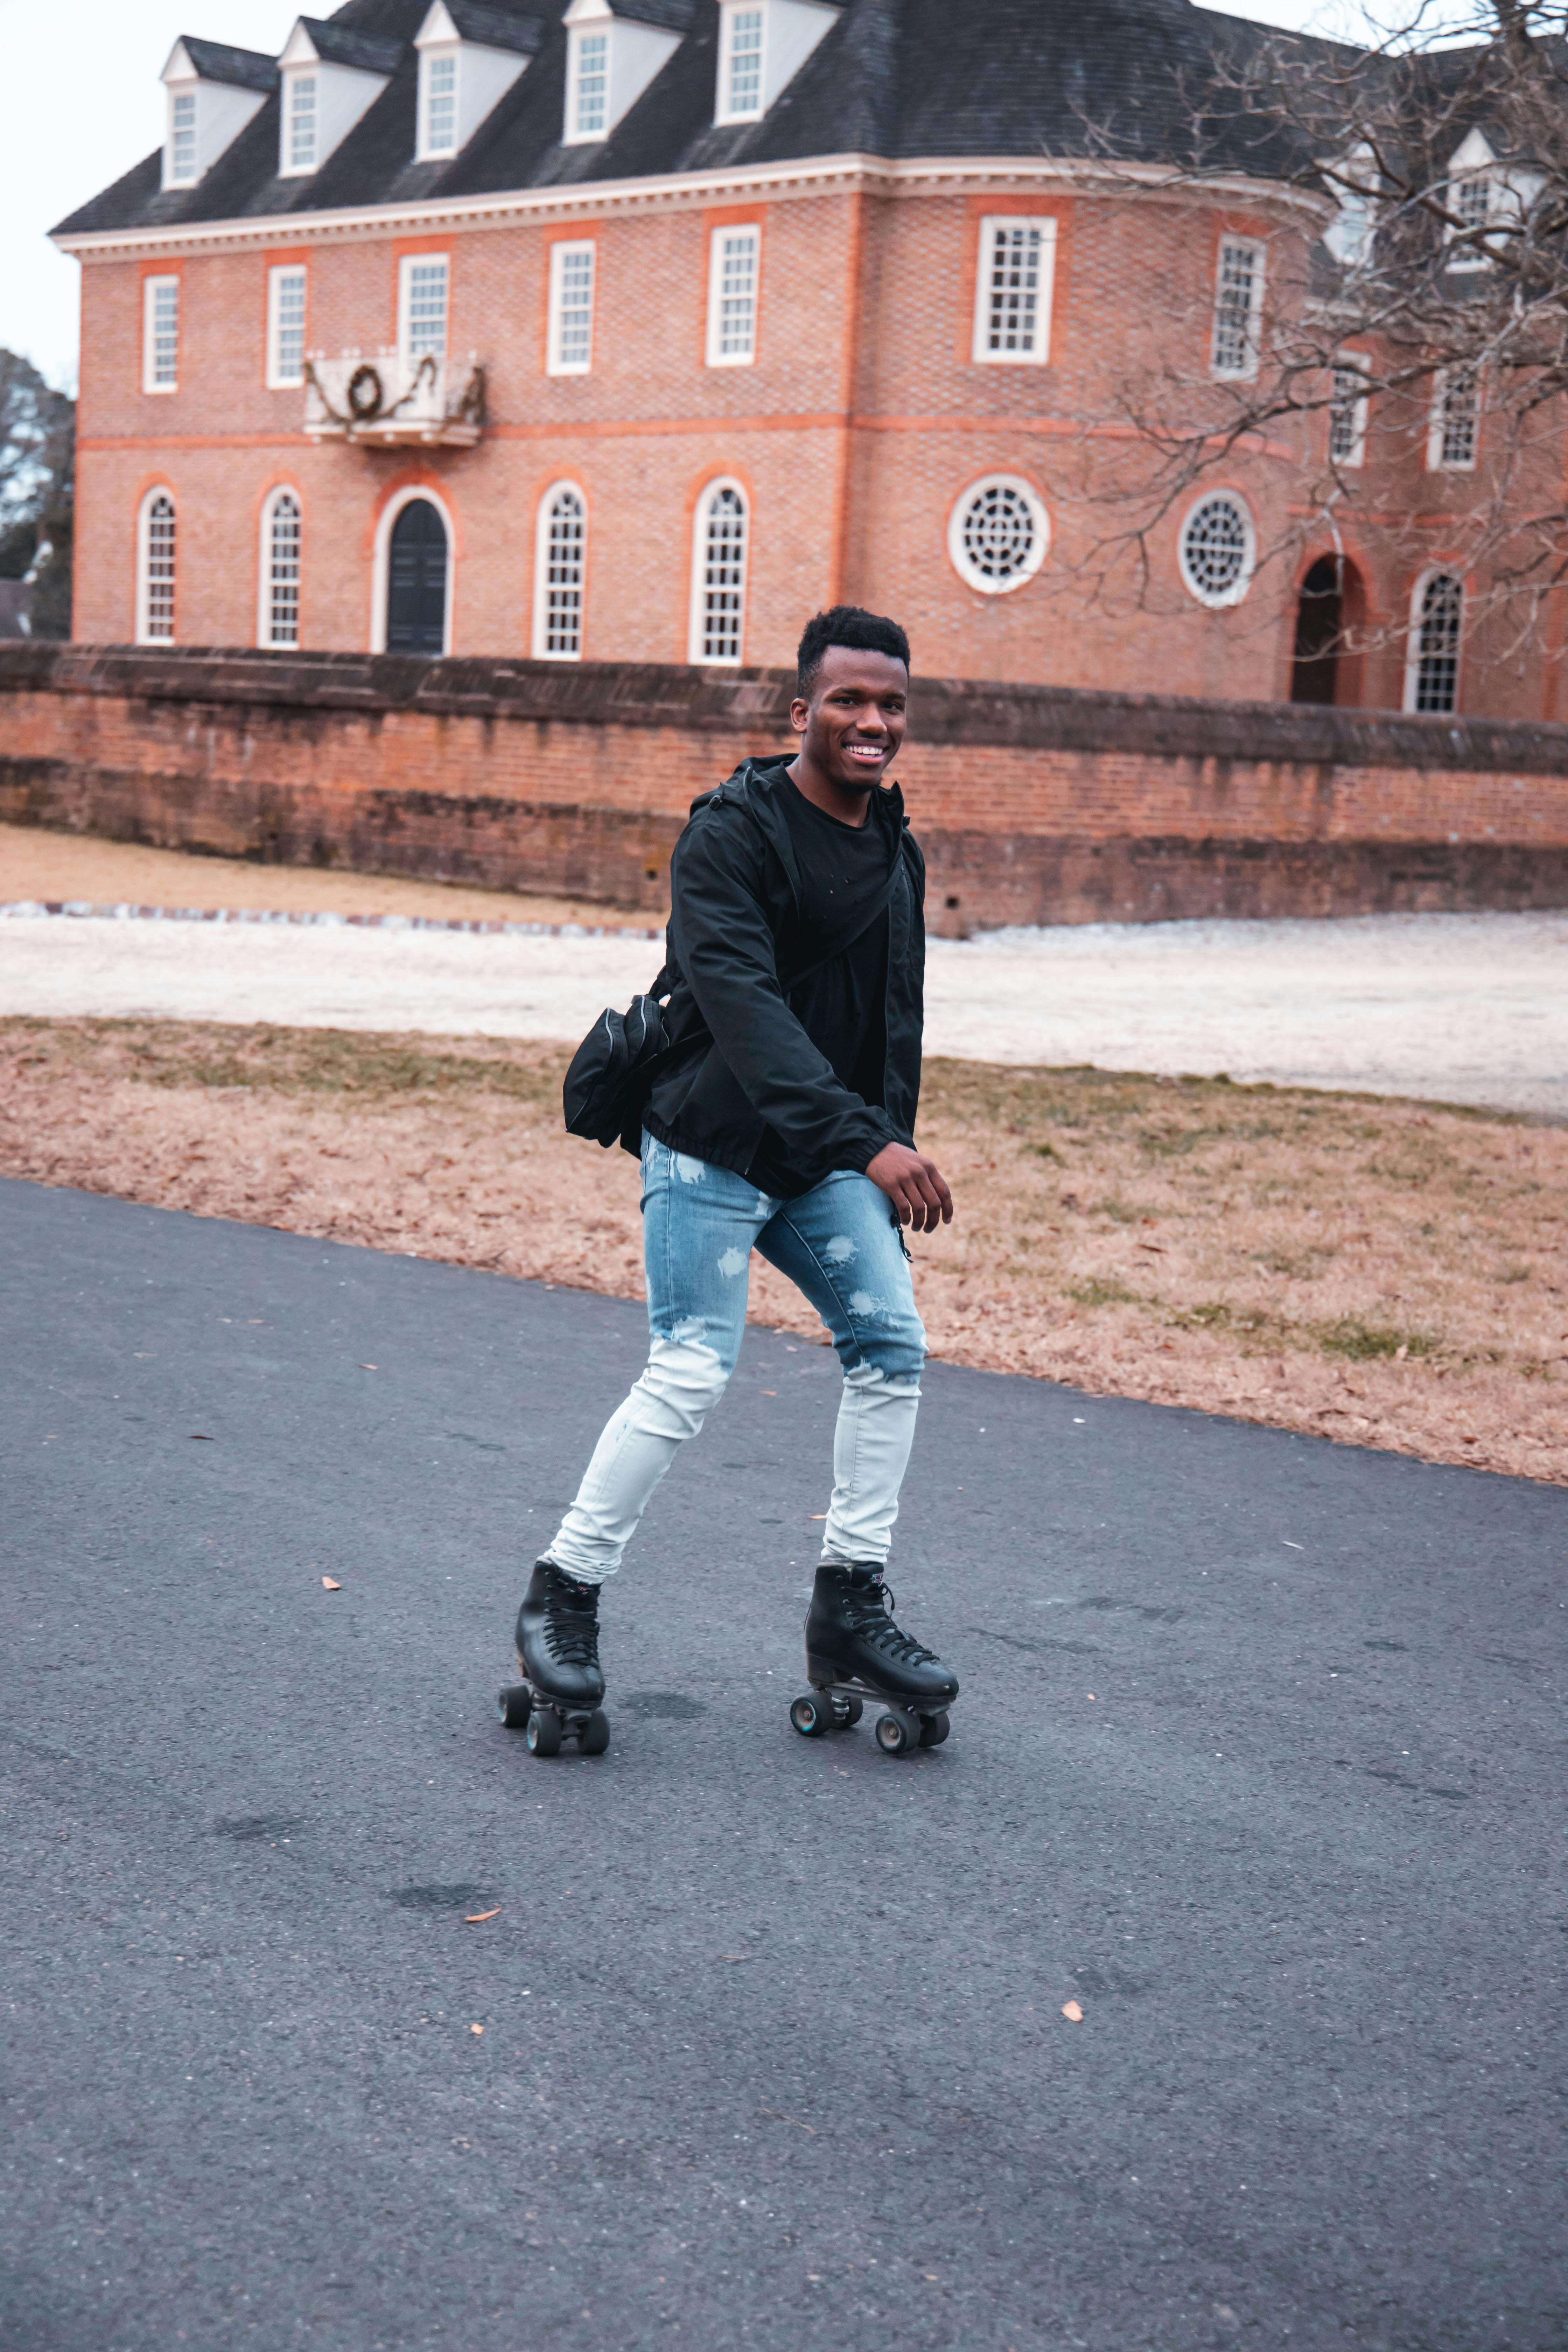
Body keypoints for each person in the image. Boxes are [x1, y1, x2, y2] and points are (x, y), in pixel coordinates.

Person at [514, 604, 960, 1749]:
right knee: (693, 1368)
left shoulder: (896, 851)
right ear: (799, 710)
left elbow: (886, 1029)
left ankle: (849, 1606)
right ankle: (563, 1595)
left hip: (822, 1160)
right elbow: (745, 1012)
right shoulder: (730, 835)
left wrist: (876, 1159)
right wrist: (871, 1146)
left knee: (892, 1350)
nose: (874, 722)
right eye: (851, 700)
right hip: (709, 1141)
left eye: (892, 704)